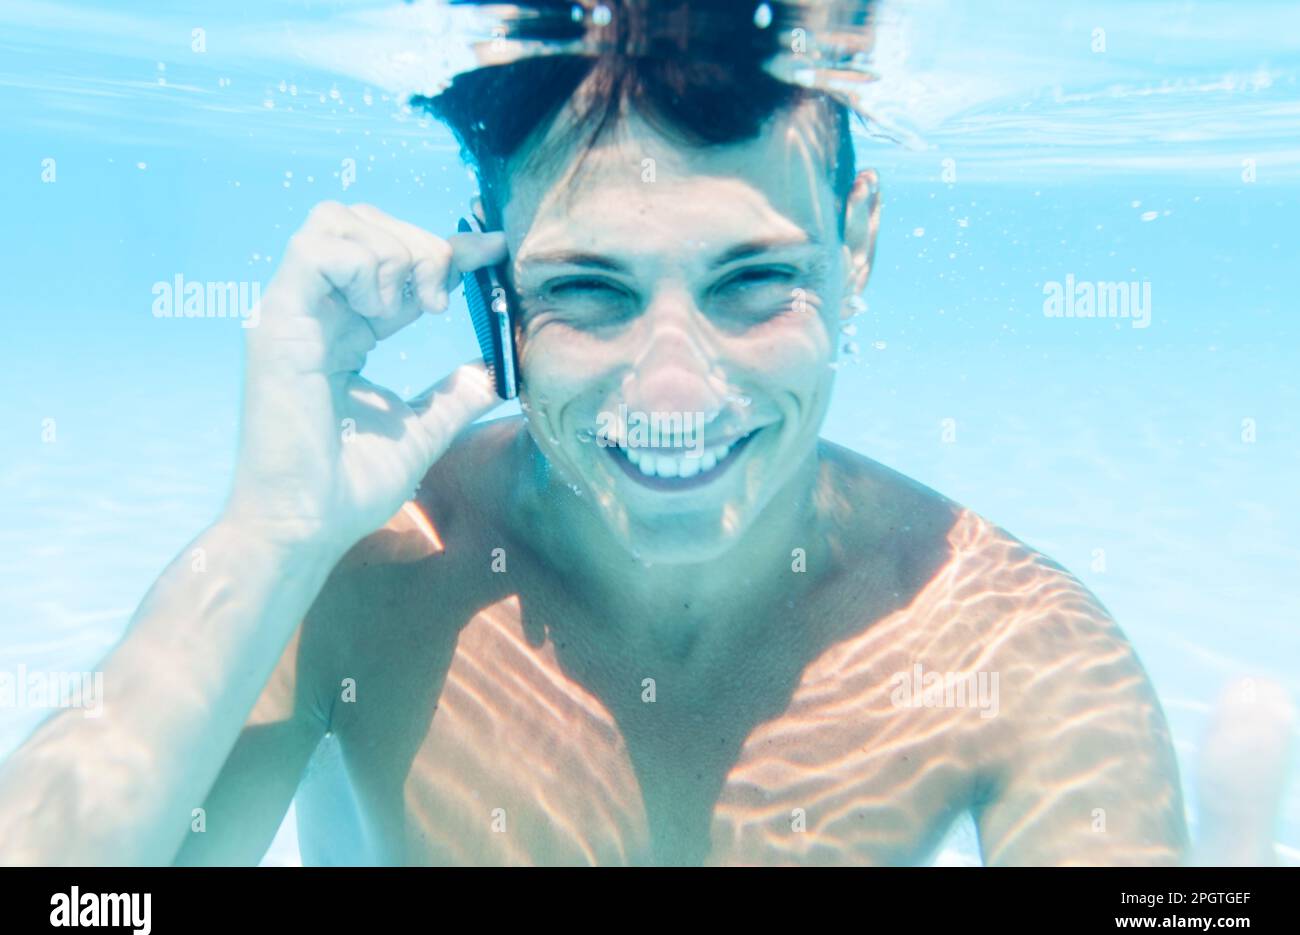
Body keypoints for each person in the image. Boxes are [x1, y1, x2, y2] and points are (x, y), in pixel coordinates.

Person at [0, 0, 1275, 867]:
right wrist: (261, 539)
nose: (672, 394)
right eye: (586, 290)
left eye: (751, 283)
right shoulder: (359, 579)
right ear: (495, 293)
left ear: (859, 250)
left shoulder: (1013, 647)